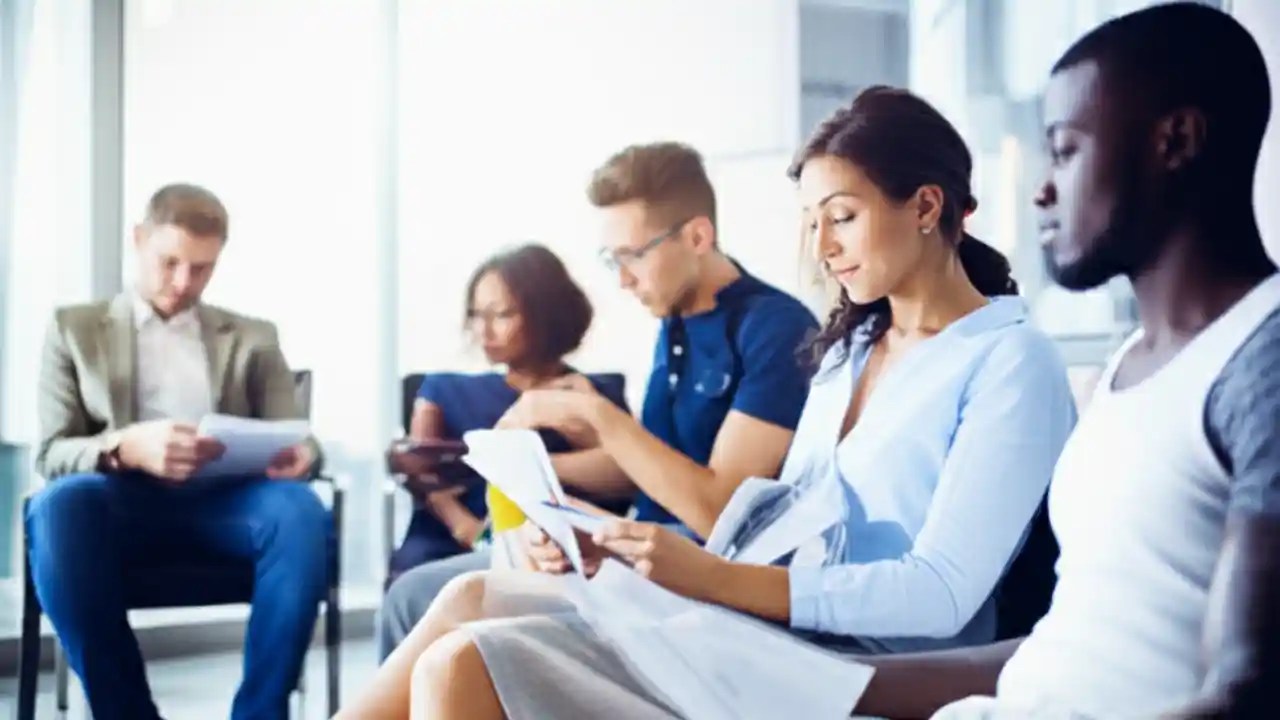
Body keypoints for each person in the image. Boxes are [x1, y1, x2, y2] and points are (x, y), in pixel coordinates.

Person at [334, 86, 1077, 720]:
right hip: (766, 621)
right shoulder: (849, 349)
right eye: (810, 221)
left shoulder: (1009, 362)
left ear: (925, 206)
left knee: (460, 665)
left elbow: (941, 595)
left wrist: (715, 579)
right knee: (469, 596)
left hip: (854, 659)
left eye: (841, 217)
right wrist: (608, 540)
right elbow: (785, 523)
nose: (820, 246)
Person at [851, 5, 1280, 718]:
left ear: (1176, 141)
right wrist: (807, 679)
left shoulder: (1260, 365)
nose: (1041, 188)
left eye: (1065, 149)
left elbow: (1247, 695)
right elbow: (1063, 654)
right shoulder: (1128, 369)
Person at [377, 142, 819, 657]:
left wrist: (597, 415)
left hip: (691, 564)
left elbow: (717, 512)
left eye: (633, 256)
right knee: (418, 594)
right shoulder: (674, 321)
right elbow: (647, 466)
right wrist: (536, 472)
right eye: (612, 260)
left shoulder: (776, 329)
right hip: (636, 540)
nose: (623, 279)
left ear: (698, 236)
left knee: (416, 599)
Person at [26, 184, 328, 720]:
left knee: (301, 510)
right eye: (170, 262)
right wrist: (123, 447)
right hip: (117, 500)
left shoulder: (255, 337)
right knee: (57, 506)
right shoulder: (72, 329)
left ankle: (261, 715)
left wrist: (302, 456)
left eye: (202, 269)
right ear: (138, 240)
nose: (183, 283)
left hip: (226, 504)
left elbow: (299, 436)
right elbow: (51, 452)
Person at [380, 244, 628, 645]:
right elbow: (422, 474)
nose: (484, 330)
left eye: (502, 314)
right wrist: (468, 529)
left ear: (546, 315)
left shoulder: (594, 394)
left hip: (554, 542)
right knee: (416, 581)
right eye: (477, 315)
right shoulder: (442, 389)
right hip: (449, 536)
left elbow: (626, 480)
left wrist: (588, 414)